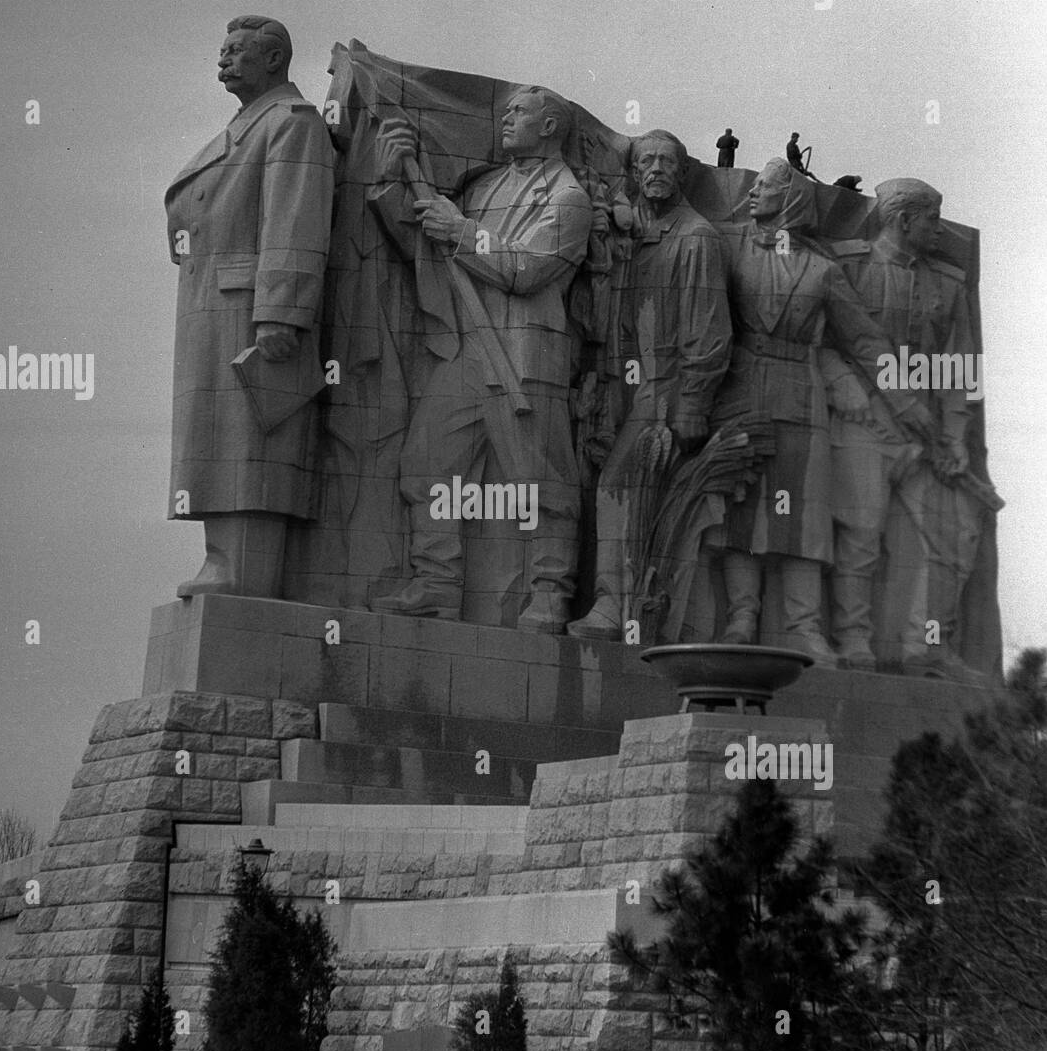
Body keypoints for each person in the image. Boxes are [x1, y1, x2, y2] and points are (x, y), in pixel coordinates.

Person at [366, 87, 592, 632]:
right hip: (470, 350)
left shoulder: (569, 198)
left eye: (519, 112)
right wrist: (393, 178)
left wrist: (462, 231)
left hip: (524, 354)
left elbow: (526, 269)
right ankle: (437, 585)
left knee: (541, 481)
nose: (507, 118)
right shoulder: (487, 187)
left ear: (550, 125)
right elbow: (429, 247)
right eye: (506, 109)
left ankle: (549, 593)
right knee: (426, 462)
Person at [703, 159, 934, 663]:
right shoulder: (727, 244)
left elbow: (866, 341)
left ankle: (804, 625)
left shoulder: (823, 268)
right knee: (742, 508)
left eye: (766, 185)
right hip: (740, 390)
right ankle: (742, 618)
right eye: (757, 185)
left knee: (802, 514)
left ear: (790, 198)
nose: (757, 192)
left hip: (802, 397)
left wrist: (905, 400)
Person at [164, 15, 334, 599]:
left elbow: (295, 217)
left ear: (274, 59)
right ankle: (222, 561)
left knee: (250, 444)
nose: (225, 60)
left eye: (238, 51)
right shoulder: (246, 126)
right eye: (222, 50)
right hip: (213, 304)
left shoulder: (291, 123)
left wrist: (281, 313)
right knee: (215, 447)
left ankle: (244, 574)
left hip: (249, 308)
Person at [568, 130, 731, 639]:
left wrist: (692, 404)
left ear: (682, 173)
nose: (656, 169)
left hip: (664, 384)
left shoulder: (696, 237)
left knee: (618, 486)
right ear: (635, 173)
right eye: (647, 162)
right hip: (617, 380)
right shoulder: (628, 231)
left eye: (667, 162)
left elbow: (710, 331)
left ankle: (615, 607)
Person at [824, 177, 990, 678]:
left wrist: (956, 435)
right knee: (861, 532)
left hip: (927, 434)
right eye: (932, 219)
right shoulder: (848, 266)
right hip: (864, 421)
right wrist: (839, 385)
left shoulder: (948, 282)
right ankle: (855, 642)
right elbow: (823, 341)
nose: (938, 230)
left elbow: (959, 369)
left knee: (952, 532)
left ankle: (928, 648)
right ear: (903, 219)